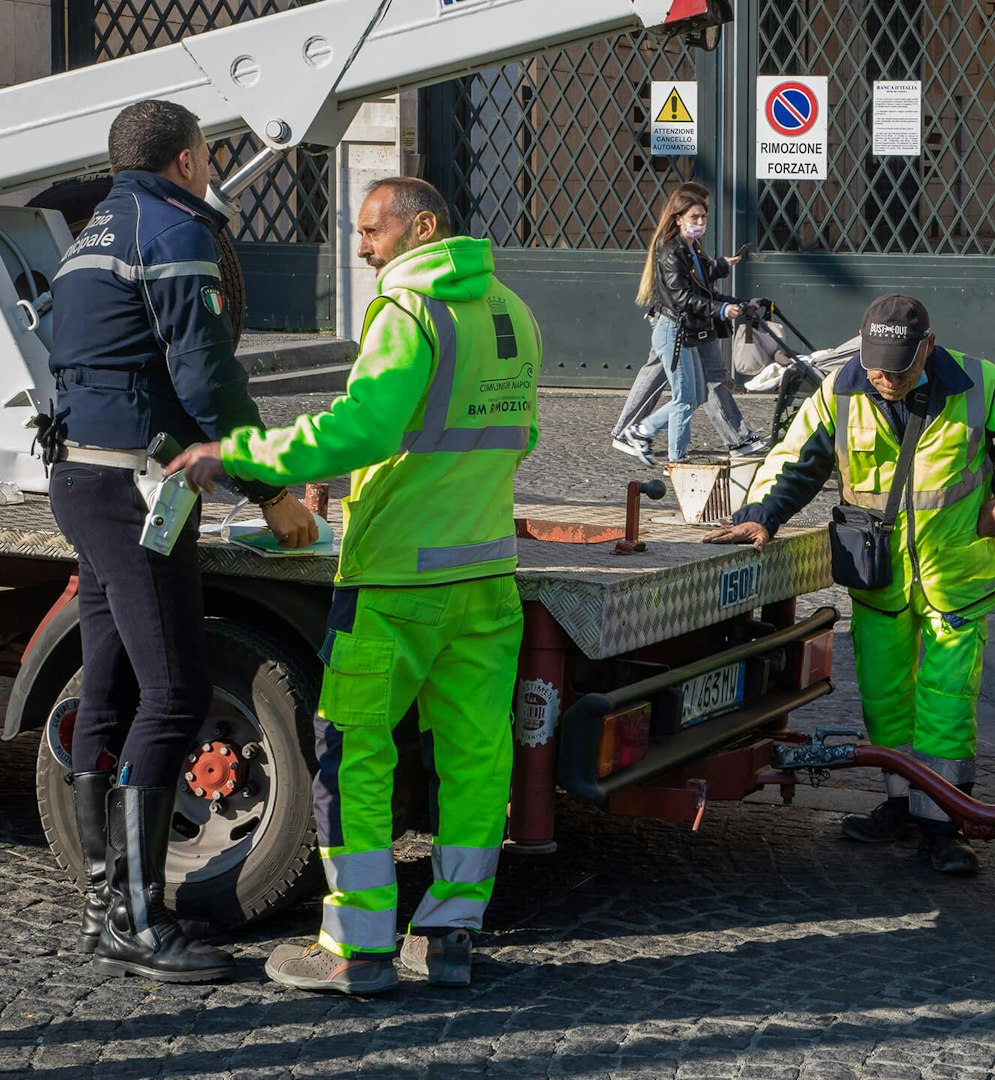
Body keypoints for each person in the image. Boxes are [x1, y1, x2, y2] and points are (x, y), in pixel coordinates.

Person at [169, 177, 541, 995]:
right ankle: (447, 937)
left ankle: (357, 946)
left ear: (423, 228)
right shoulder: (510, 309)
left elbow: (365, 425)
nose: (363, 248)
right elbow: (506, 435)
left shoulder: (410, 310)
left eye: (373, 232)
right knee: (477, 759)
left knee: (353, 751)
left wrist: (237, 458)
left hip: (397, 582)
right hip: (485, 576)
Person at [45, 99, 316, 984]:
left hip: (84, 478)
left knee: (114, 684)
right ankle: (136, 919)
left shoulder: (91, 235)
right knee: (175, 688)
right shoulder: (171, 228)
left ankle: (104, 909)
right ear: (191, 161)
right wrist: (270, 487)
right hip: (135, 486)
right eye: (205, 156)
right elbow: (208, 374)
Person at [704, 295, 995, 874]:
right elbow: (796, 461)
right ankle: (900, 805)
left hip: (954, 578)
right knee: (884, 701)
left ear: (929, 348)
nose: (884, 379)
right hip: (879, 579)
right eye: (876, 366)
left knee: (946, 703)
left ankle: (942, 821)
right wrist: (762, 514)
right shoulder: (840, 387)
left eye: (899, 367)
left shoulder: (980, 384)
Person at [611, 184, 767, 466]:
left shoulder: (689, 248)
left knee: (693, 396)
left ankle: (641, 431)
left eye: (704, 217)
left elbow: (701, 282)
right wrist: (721, 308)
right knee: (684, 397)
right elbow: (683, 296)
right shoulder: (671, 251)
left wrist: (739, 300)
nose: (700, 223)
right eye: (695, 216)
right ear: (678, 217)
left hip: (688, 327)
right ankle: (674, 460)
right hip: (676, 329)